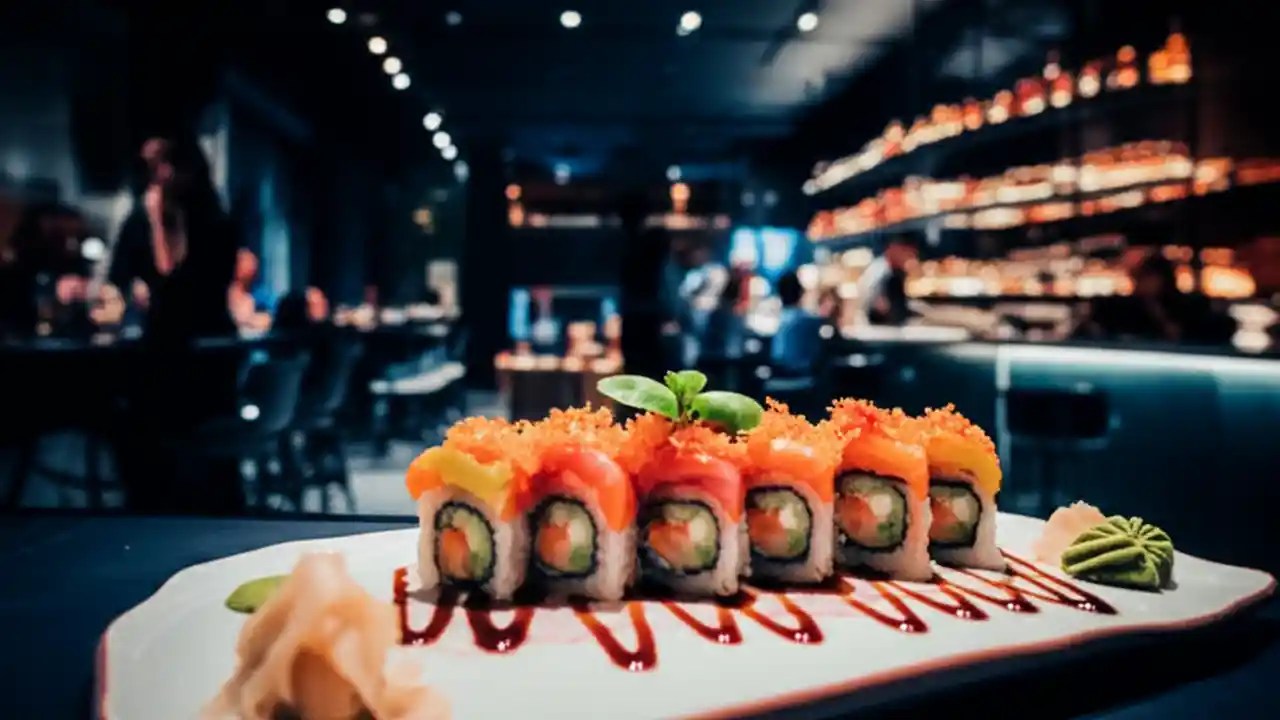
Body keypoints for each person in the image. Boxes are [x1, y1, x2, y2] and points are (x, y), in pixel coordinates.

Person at [110, 136, 238, 341]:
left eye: (168, 162)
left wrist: (158, 224)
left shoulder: (214, 222)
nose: (163, 175)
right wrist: (133, 288)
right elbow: (118, 275)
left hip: (207, 339)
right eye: (152, 167)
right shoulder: (138, 222)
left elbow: (174, 283)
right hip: (157, 340)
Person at [1074, 253, 1235, 344]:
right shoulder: (1122, 306)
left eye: (1144, 278)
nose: (1137, 284)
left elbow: (1178, 337)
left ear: (1161, 279)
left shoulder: (1190, 306)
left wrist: (1155, 308)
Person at [771, 271, 826, 375]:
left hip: (780, 375)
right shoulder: (810, 320)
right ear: (801, 292)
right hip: (806, 376)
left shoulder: (777, 321)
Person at [859, 235, 918, 326]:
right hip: (880, 327)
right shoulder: (879, 270)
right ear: (893, 249)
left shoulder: (895, 271)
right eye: (906, 252)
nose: (908, 258)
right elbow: (875, 302)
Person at [227, 248, 274, 331]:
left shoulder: (262, 293)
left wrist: (249, 319)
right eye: (245, 262)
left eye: (253, 263)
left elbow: (272, 318)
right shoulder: (229, 292)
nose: (252, 267)